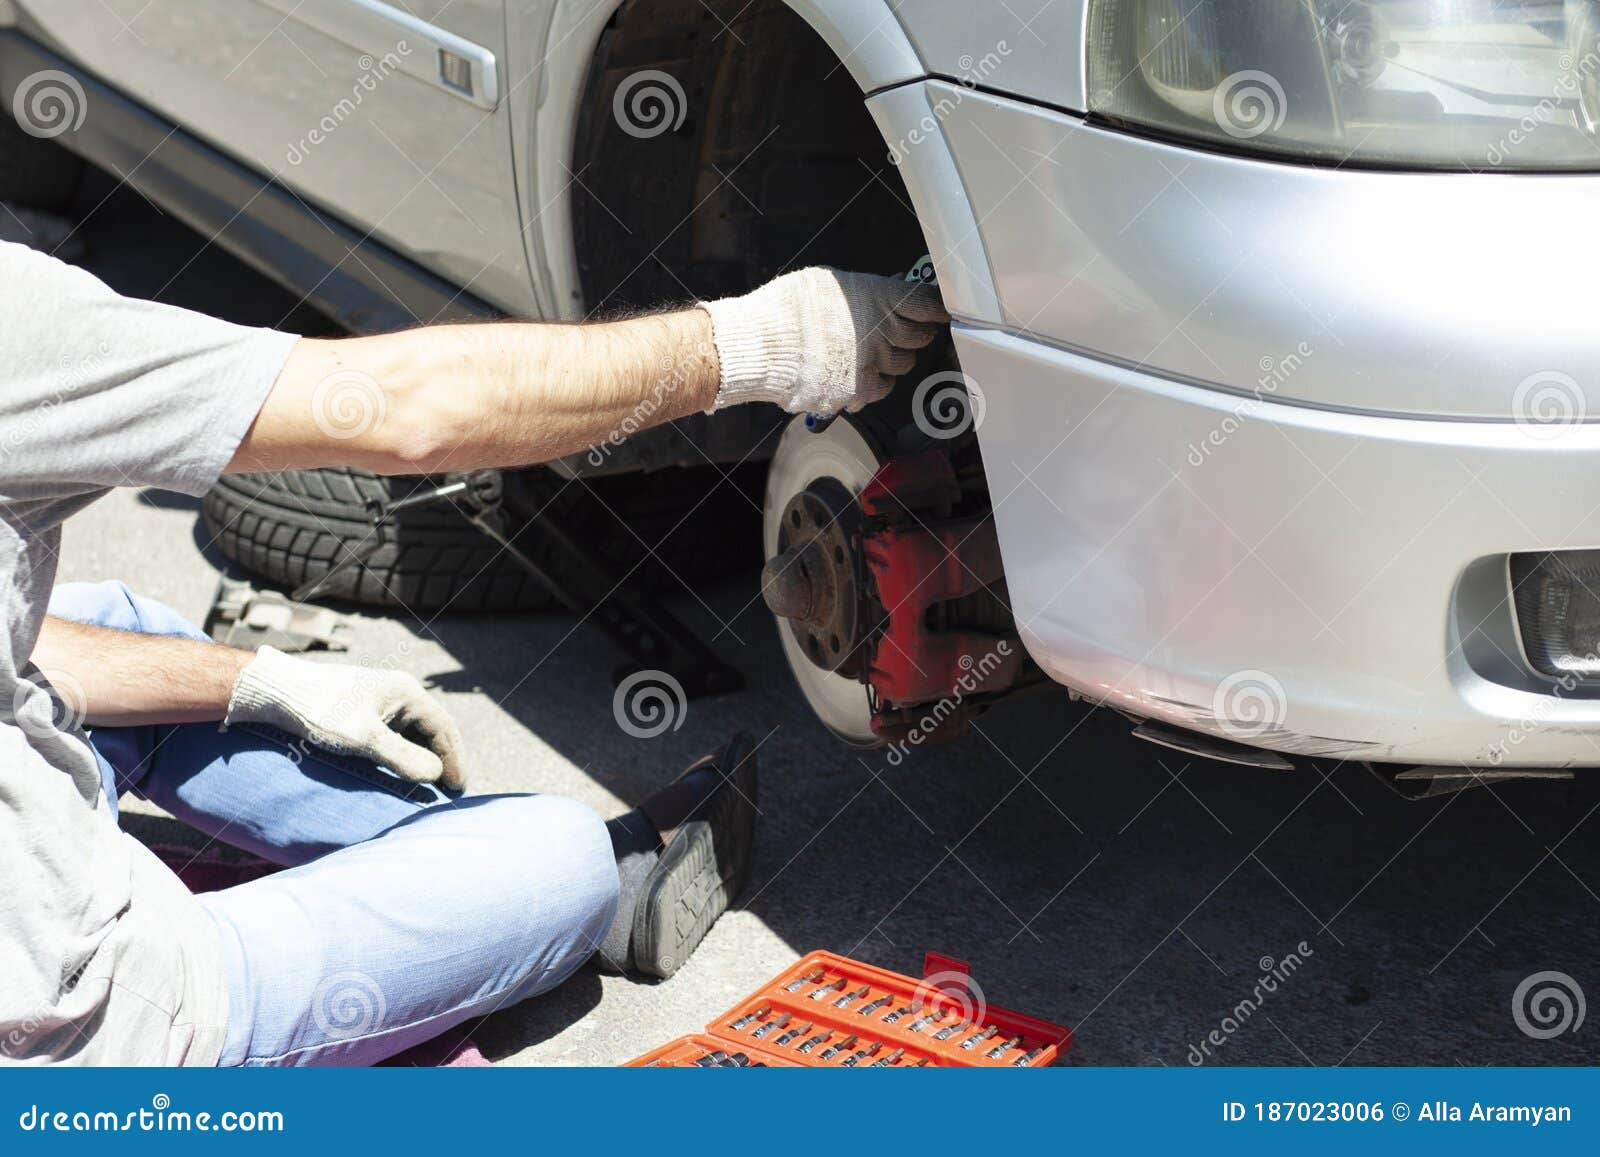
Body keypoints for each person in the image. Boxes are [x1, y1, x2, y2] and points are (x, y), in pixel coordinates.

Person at [0, 240, 948, 1067]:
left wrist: (260, 678)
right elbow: (408, 408)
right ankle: (572, 889)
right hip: (83, 1041)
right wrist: (772, 340)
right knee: (559, 852)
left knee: (98, 616)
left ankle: (435, 871)